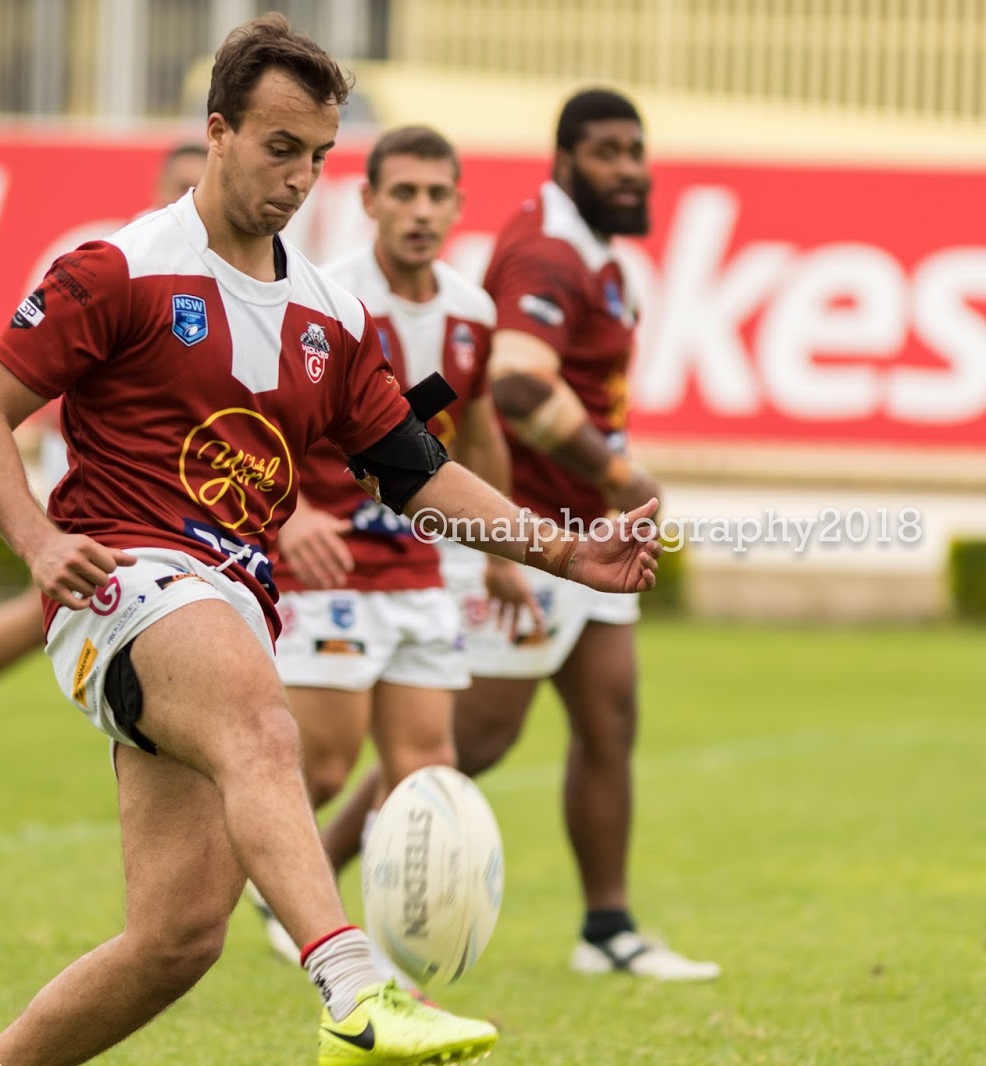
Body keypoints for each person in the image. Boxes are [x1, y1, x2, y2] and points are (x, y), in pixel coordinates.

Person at [0, 16, 661, 1066]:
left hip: (230, 599)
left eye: (318, 157)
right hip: (127, 584)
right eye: (279, 149)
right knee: (263, 729)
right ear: (219, 130)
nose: (298, 178)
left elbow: (415, 474)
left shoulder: (328, 312)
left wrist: (558, 550)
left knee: (176, 939)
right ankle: (355, 987)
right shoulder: (116, 268)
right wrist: (38, 541)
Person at [248, 126, 540, 969]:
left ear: (457, 205)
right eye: (402, 193)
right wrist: (290, 517)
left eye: (436, 194)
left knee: (425, 769)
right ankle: (242, 880)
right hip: (327, 569)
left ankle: (388, 939)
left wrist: (499, 555)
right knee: (330, 768)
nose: (420, 211)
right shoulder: (323, 299)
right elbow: (265, 425)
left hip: (419, 571)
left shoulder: (471, 313)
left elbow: (480, 438)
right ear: (368, 200)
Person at [442, 87, 717, 981]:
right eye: (608, 152)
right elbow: (517, 386)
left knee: (610, 719)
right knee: (471, 744)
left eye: (637, 150)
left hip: (591, 540)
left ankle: (608, 929)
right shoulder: (547, 254)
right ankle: (304, 884)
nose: (631, 169)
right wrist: (618, 475)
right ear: (564, 160)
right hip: (539, 534)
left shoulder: (593, 252)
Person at [0, 143, 207, 812]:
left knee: (74, 604)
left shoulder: (231, 278)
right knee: (83, 591)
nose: (192, 196)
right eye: (180, 182)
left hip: (186, 487)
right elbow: (19, 380)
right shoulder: (120, 263)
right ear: (155, 186)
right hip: (95, 462)